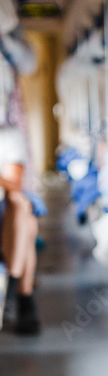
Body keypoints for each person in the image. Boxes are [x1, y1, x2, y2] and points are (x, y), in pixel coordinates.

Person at [0, 138, 40, 334]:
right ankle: (23, 296)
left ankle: (19, 288)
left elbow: (14, 183)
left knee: (20, 210)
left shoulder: (9, 140)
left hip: (9, 204)